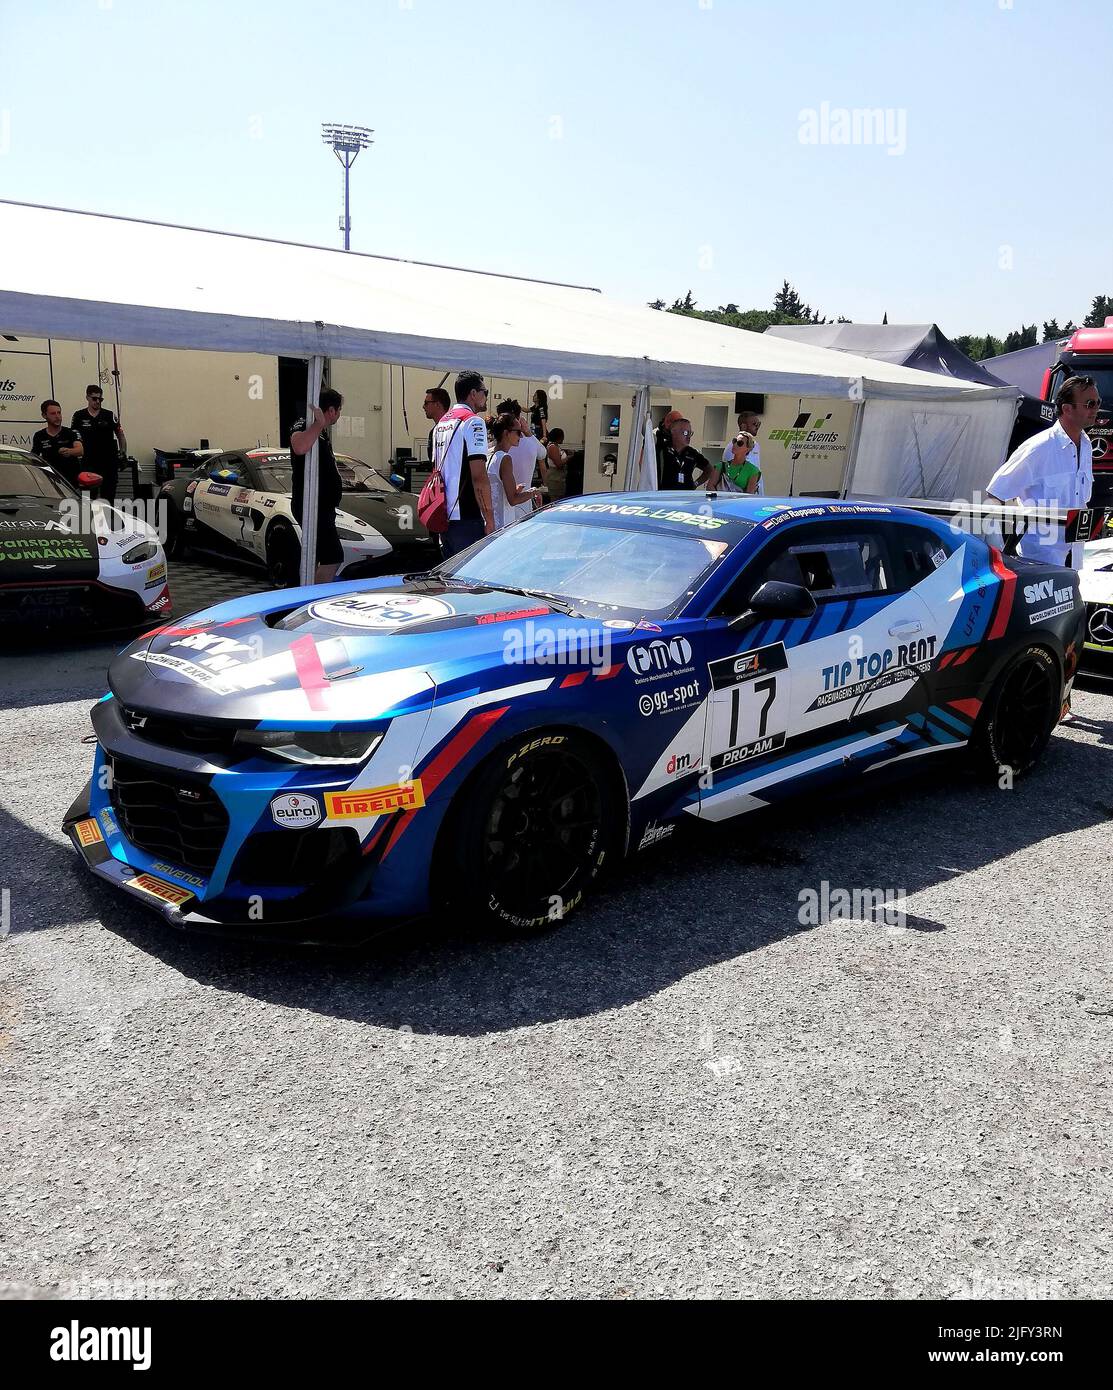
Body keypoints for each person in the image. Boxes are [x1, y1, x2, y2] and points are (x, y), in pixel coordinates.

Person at [986, 374, 1098, 568]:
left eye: (1098, 402)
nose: (1096, 409)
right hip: (1040, 560)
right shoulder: (1039, 447)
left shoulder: (1086, 445)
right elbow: (996, 492)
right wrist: (1000, 548)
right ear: (1067, 409)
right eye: (1089, 403)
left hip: (1075, 556)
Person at [431, 369, 494, 557]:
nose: (486, 397)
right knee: (471, 580)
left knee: (451, 580)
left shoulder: (441, 423)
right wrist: (489, 519)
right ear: (473, 393)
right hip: (467, 516)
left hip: (442, 514)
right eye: (485, 392)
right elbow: (479, 476)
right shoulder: (473, 422)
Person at [289, 387, 344, 584]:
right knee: (333, 556)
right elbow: (300, 446)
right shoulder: (305, 424)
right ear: (331, 411)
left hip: (322, 506)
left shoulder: (321, 434)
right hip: (311, 505)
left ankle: (310, 588)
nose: (338, 415)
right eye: (339, 411)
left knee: (318, 555)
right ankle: (315, 597)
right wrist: (318, 425)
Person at [70, 384, 126, 506]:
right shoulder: (79, 416)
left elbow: (120, 435)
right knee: (88, 497)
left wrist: (123, 452)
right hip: (89, 462)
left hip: (108, 462)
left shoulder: (109, 415)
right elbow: (73, 436)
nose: (97, 401)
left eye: (100, 399)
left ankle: (108, 521)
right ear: (87, 398)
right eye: (94, 398)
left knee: (108, 496)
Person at [486, 415, 542, 529]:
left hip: (491, 522)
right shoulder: (505, 458)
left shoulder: (489, 455)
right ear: (506, 433)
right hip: (503, 524)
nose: (521, 436)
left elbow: (496, 489)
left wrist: (515, 489)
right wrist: (534, 492)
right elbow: (513, 499)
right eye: (518, 432)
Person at [31, 400, 83, 487]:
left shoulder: (70, 432)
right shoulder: (39, 435)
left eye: (59, 413)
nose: (57, 416)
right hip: (50, 483)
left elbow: (80, 450)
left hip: (72, 483)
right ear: (44, 415)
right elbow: (34, 456)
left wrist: (69, 451)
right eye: (53, 413)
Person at [657, 416, 709, 490]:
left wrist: (696, 483)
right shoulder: (661, 450)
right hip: (665, 495)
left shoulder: (692, 453)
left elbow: (709, 469)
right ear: (673, 432)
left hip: (686, 496)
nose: (688, 437)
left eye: (690, 433)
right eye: (685, 433)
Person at [721, 409, 764, 494]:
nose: (757, 427)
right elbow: (731, 478)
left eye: (759, 424)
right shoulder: (733, 447)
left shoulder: (756, 445)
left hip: (757, 495)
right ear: (743, 426)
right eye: (754, 424)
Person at [422, 387, 450, 464]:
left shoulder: (452, 430)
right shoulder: (433, 432)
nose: (423, 407)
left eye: (426, 403)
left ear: (437, 404)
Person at [540, 427, 568, 501]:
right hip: (555, 478)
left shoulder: (556, 446)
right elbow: (558, 464)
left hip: (559, 478)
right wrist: (567, 458)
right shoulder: (552, 447)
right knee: (555, 499)